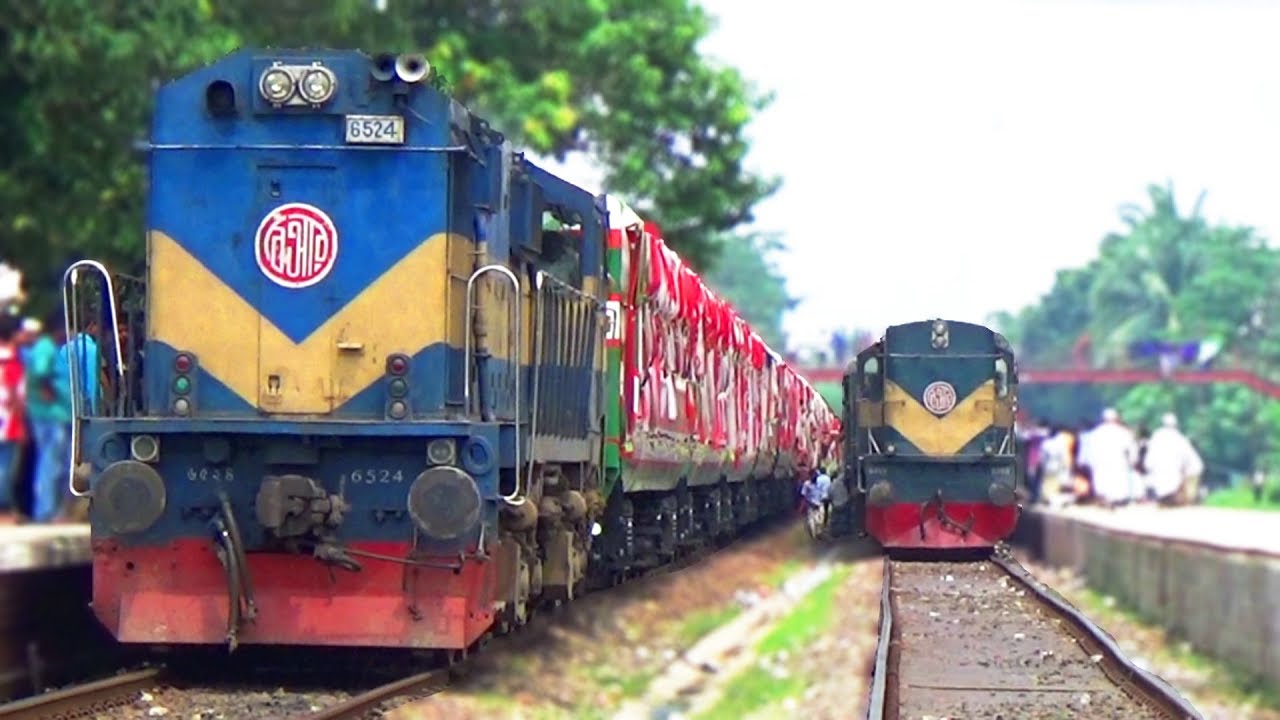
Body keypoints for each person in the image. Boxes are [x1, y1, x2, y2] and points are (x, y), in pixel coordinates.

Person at [24, 309, 73, 523]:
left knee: (55, 462)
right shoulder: (46, 347)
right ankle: (45, 511)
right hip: (50, 414)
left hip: (54, 413)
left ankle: (50, 510)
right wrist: (47, 391)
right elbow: (41, 373)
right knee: (52, 463)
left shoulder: (49, 347)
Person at [1079, 408, 1138, 508]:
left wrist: (1089, 463)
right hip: (1117, 463)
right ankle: (1115, 501)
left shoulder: (1095, 433)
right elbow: (1131, 450)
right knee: (1117, 484)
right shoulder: (1123, 432)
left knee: (1103, 483)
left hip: (1102, 464)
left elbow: (1089, 452)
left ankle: (1106, 500)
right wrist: (1132, 461)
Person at [1144, 413, 1203, 506]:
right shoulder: (1180, 438)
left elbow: (1148, 462)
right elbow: (1192, 462)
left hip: (1161, 481)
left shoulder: (1156, 437)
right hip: (1174, 480)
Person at [0, 314, 25, 514]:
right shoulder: (12, 360)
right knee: (6, 468)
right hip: (8, 421)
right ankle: (4, 509)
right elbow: (17, 394)